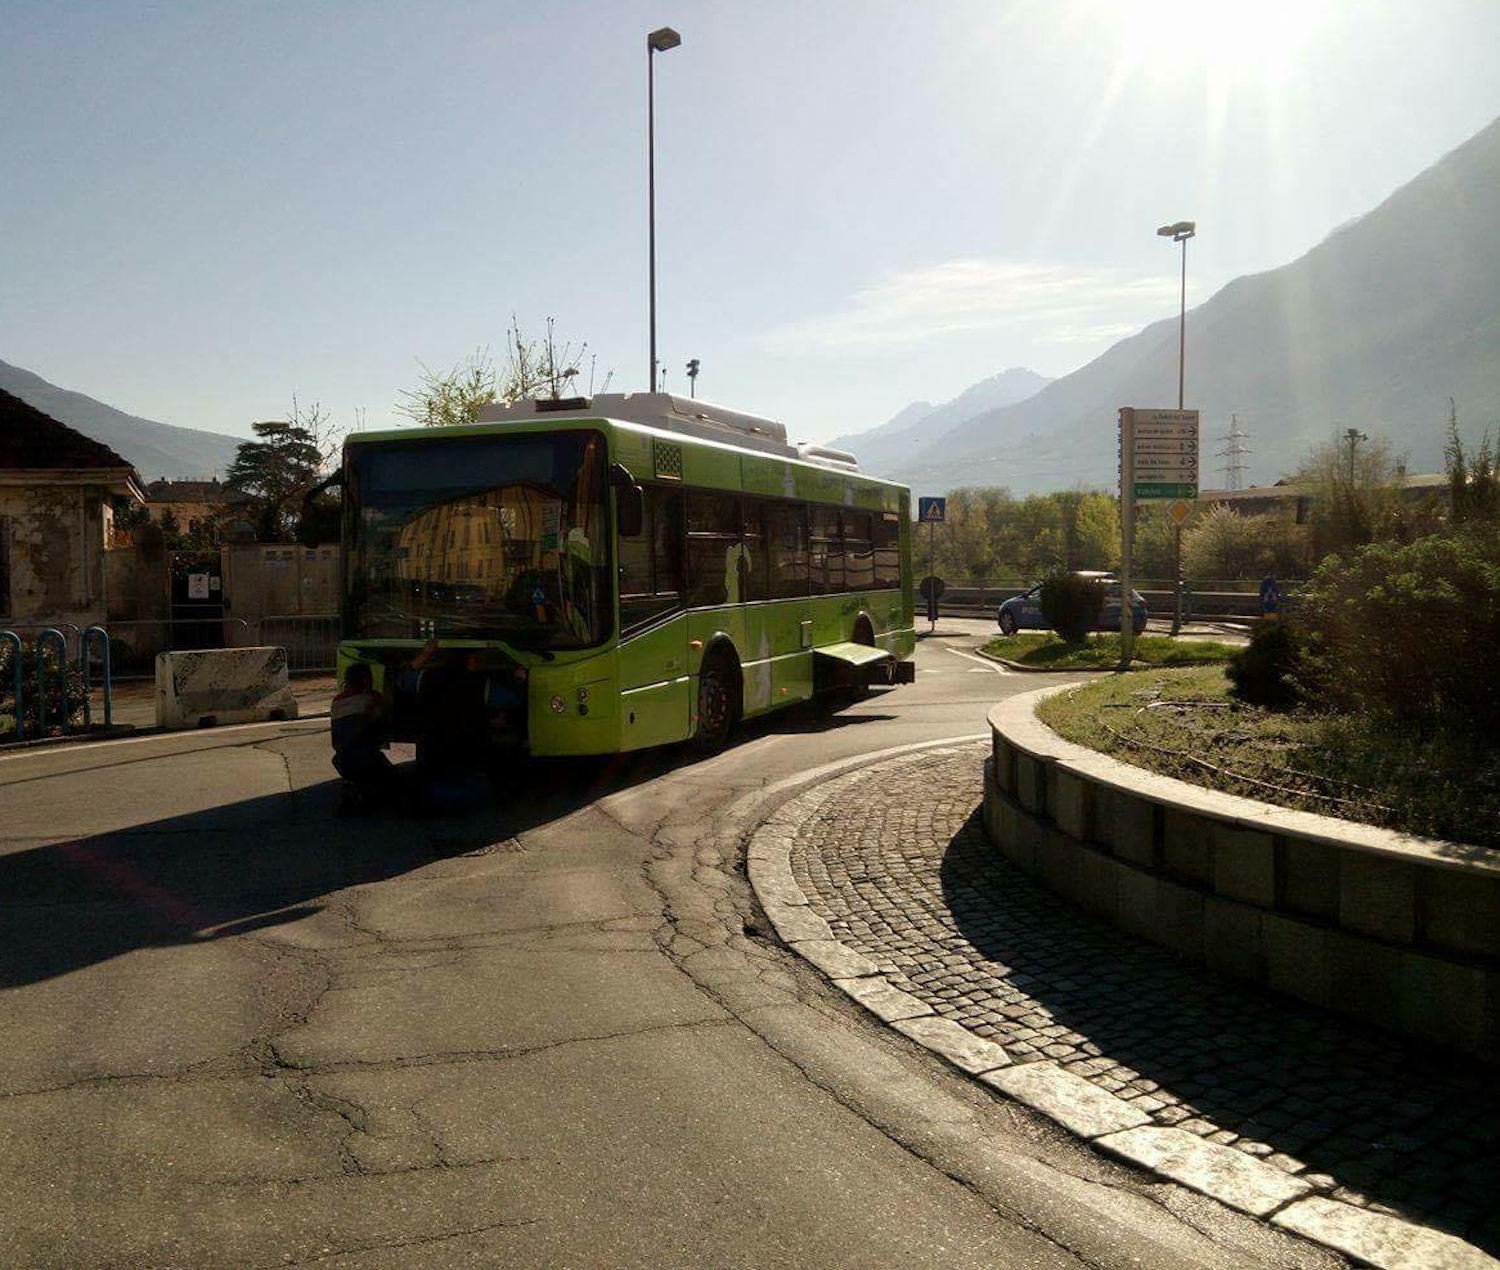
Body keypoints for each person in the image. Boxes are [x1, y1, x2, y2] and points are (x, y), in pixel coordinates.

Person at [408, 640, 492, 815]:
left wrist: (425, 654)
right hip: (464, 759)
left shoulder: (425, 677)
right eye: (477, 658)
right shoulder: (481, 684)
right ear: (470, 661)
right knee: (480, 794)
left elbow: (404, 680)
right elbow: (511, 698)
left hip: (432, 758)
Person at [330, 662, 390, 811]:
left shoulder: (337, 701)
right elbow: (383, 727)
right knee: (393, 780)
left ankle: (355, 787)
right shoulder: (372, 698)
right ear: (366, 680)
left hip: (341, 759)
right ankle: (368, 789)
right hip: (367, 758)